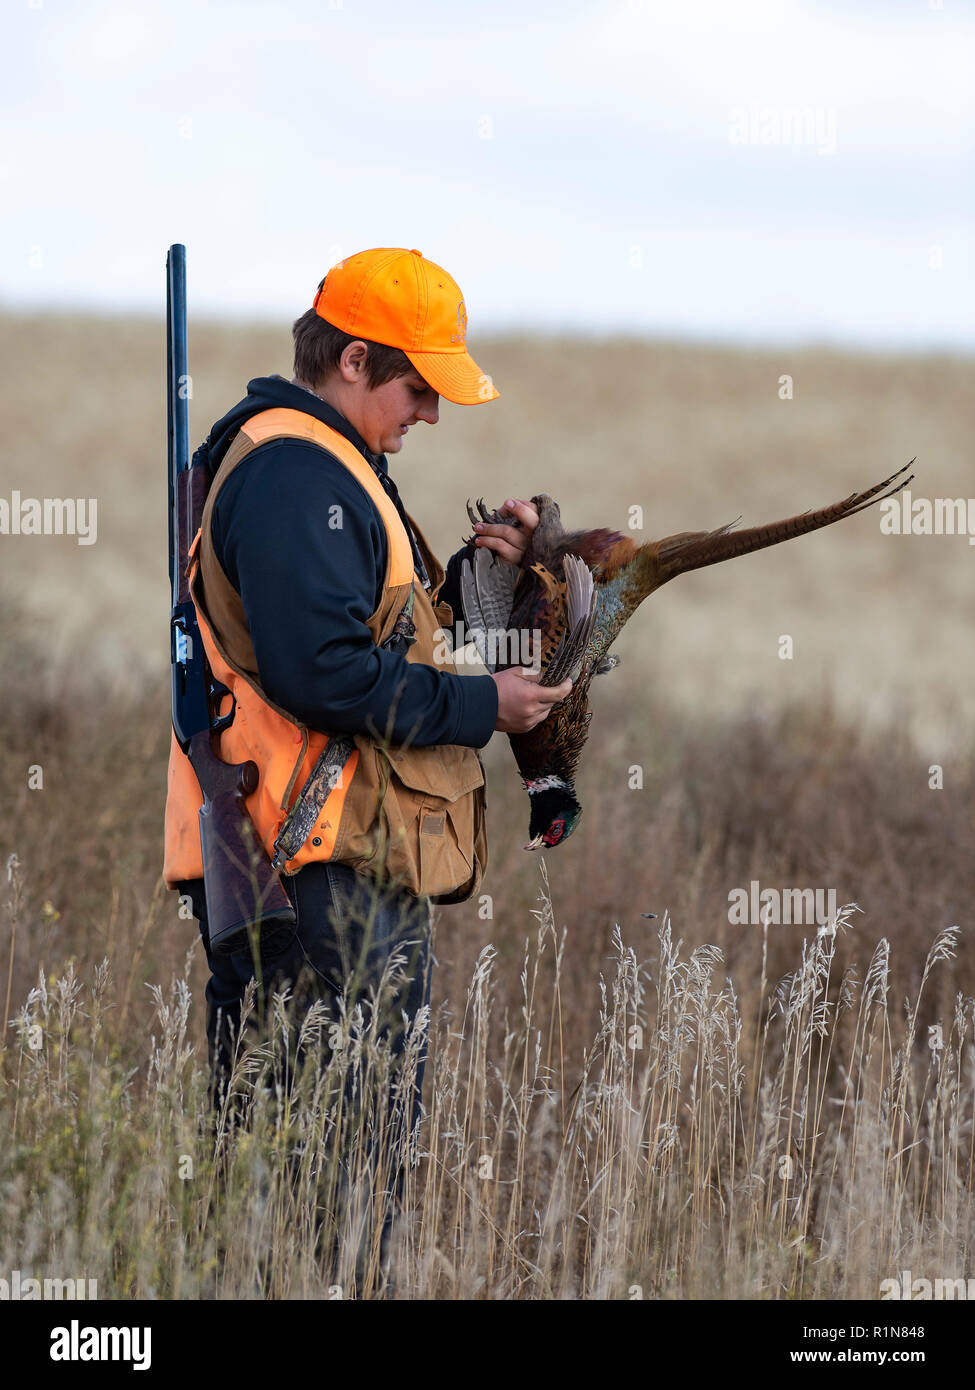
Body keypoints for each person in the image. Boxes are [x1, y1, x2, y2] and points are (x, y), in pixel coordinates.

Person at [162, 247, 571, 1284]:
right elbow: (325, 674)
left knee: (304, 1172)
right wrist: (489, 704)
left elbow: (381, 637)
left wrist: (490, 578)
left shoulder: (323, 470)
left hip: (323, 863)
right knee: (333, 1184)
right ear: (352, 358)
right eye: (419, 386)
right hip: (317, 876)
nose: (431, 413)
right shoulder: (300, 476)